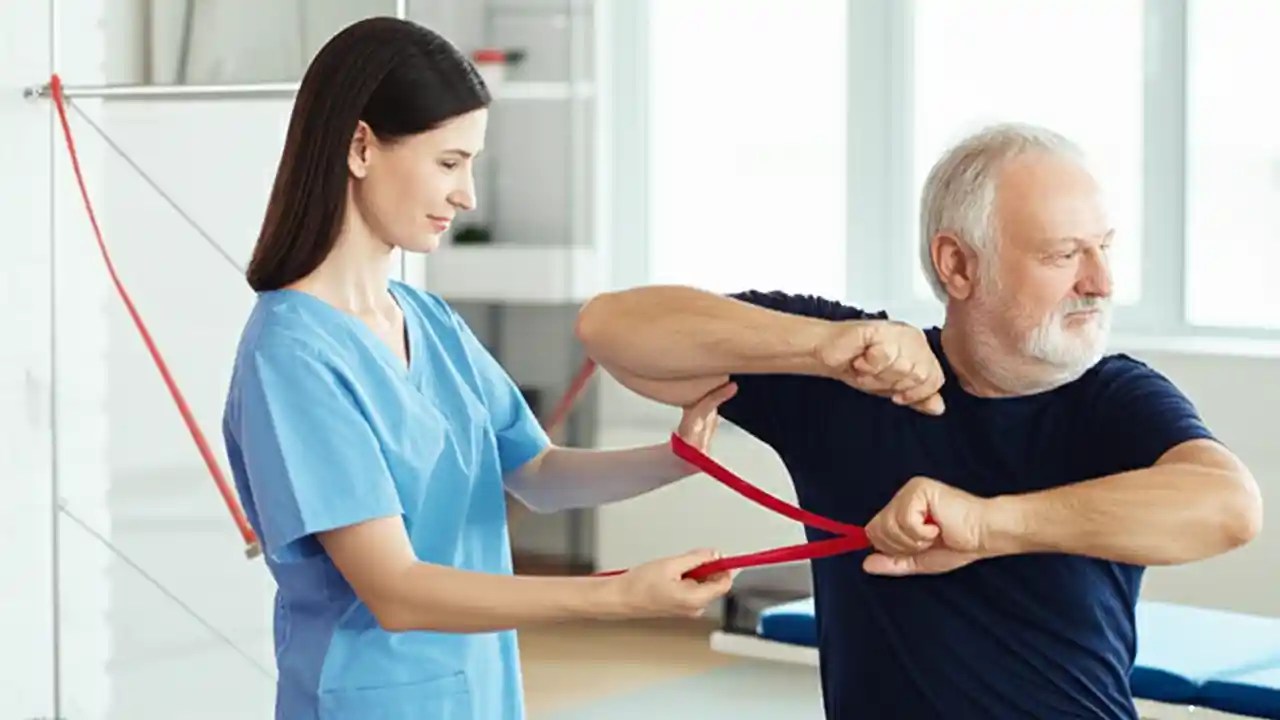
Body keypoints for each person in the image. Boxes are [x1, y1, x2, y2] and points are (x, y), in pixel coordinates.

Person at [574, 122, 1263, 719]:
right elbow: (612, 328)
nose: (1101, 282)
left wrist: (989, 525)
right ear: (957, 265)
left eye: (1103, 247)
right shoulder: (855, 370)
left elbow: (1229, 507)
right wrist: (820, 347)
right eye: (1063, 255)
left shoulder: (1115, 398)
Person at [220, 17, 733, 720]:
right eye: (449, 161)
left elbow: (538, 474)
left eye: (472, 165)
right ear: (361, 146)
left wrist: (674, 458)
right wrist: (617, 595)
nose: (469, 196)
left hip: (482, 694)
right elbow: (396, 591)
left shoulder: (426, 321)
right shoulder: (293, 358)